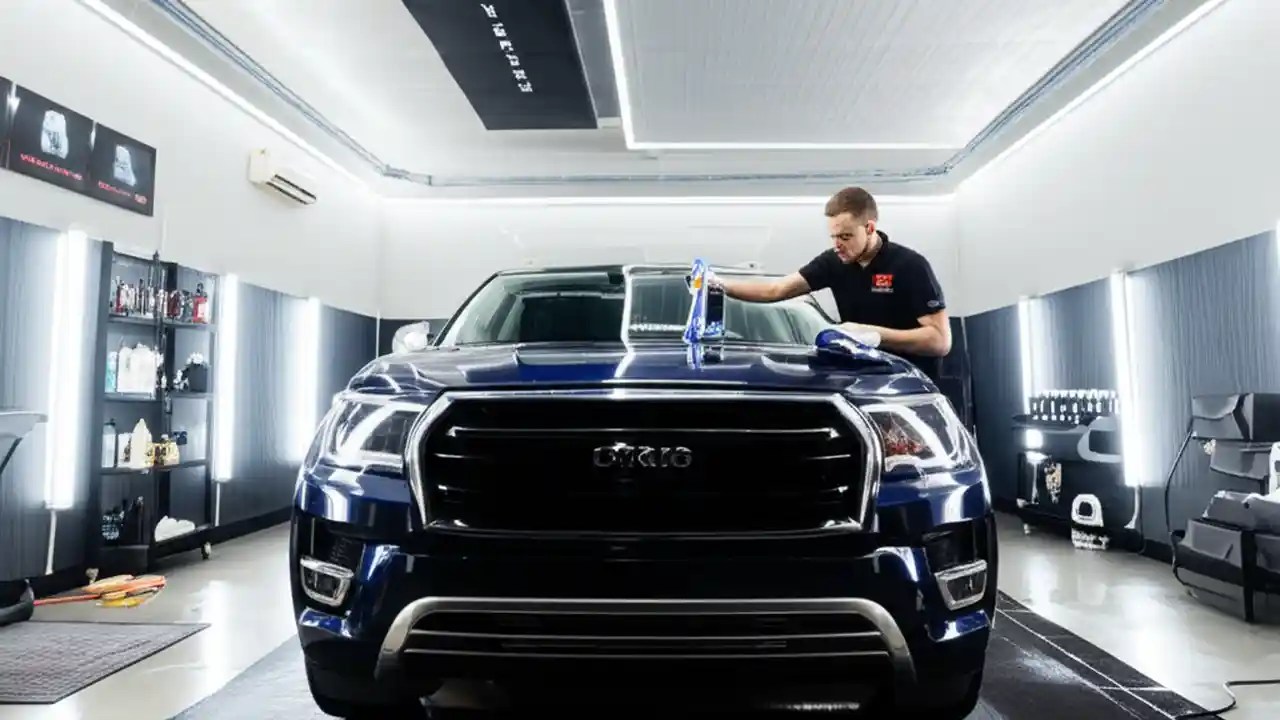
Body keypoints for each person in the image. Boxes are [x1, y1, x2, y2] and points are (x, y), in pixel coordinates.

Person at [712, 186, 951, 382]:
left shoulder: (910, 265)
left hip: (909, 384)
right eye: (833, 236)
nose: (837, 245)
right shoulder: (833, 262)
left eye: (845, 237)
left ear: (869, 228)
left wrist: (876, 336)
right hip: (861, 383)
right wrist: (719, 285)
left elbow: (940, 342)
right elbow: (776, 290)